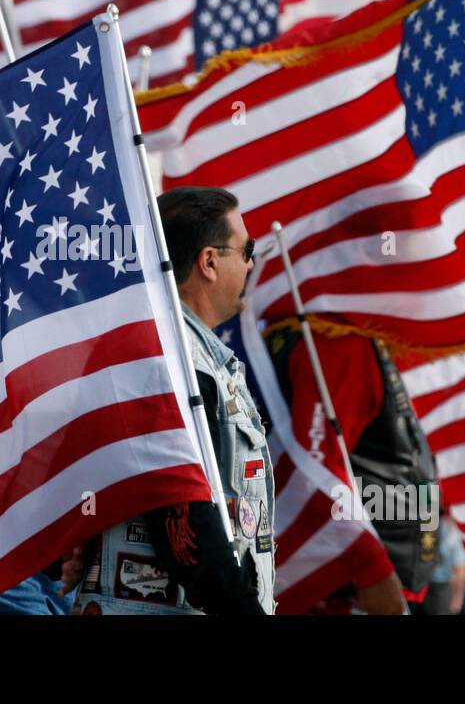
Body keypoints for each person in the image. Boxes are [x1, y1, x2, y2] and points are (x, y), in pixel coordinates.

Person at [69, 186, 274, 614]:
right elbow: (183, 509)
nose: (253, 262)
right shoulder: (164, 358)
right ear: (209, 262)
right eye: (247, 249)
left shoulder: (198, 358)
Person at [264, 326, 439, 614]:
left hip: (387, 573)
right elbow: (316, 476)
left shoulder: (355, 336)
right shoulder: (338, 344)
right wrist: (370, 569)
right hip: (359, 588)